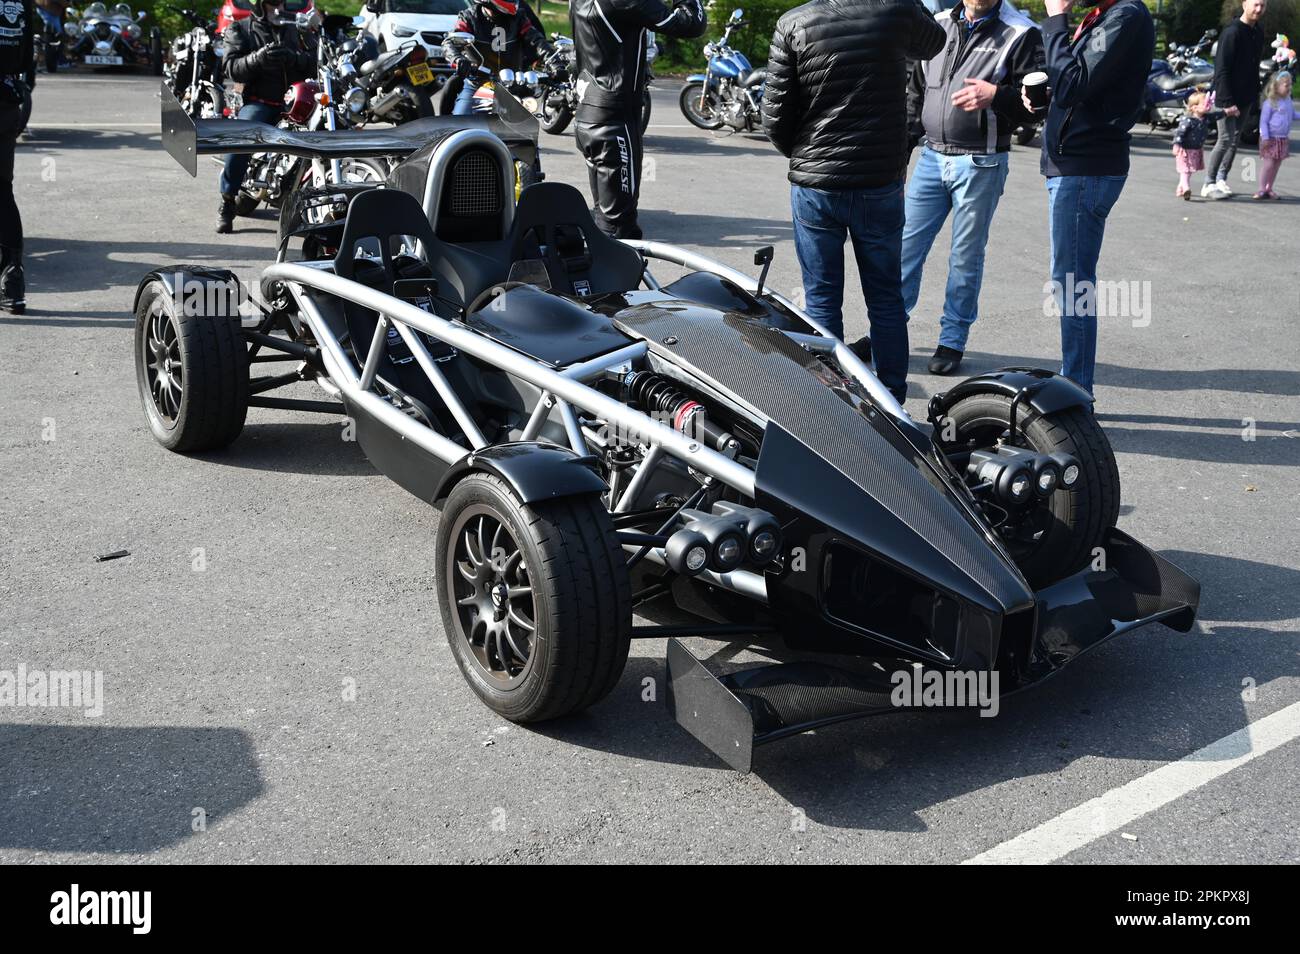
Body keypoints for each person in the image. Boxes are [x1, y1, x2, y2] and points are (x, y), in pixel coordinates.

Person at [763, 0, 945, 403]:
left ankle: (835, 401)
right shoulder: (896, 12)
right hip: (879, 182)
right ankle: (893, 396)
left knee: (822, 297)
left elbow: (774, 116)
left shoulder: (794, 22)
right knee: (885, 297)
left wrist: (809, 155)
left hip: (817, 185)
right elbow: (936, 41)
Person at [902, 0, 1044, 377]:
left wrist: (997, 95)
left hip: (981, 162)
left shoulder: (1021, 32)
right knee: (904, 247)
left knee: (965, 257)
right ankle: (888, 329)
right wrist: (901, 152)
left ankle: (952, 340)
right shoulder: (935, 24)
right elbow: (915, 92)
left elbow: (1037, 106)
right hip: (930, 158)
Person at [1023, 0, 1153, 396]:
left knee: (1072, 283)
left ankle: (1076, 391)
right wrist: (1045, 101)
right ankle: (1074, 380)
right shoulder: (1106, 16)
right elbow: (1081, 89)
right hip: (1073, 165)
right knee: (1070, 280)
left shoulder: (1126, 16)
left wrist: (1056, 20)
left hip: (1087, 168)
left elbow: (1074, 83)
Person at [569, 0, 705, 239]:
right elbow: (691, 24)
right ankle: (612, 273)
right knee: (620, 229)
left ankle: (601, 267)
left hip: (591, 111)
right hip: (613, 120)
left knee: (605, 220)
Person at [218, 0, 315, 233]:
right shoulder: (240, 29)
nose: (277, 7)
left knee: (326, 133)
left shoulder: (296, 29)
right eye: (271, 3)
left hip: (295, 103)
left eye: (280, 2)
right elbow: (230, 67)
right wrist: (257, 58)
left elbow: (315, 61)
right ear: (259, 5)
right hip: (259, 102)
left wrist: (295, 58)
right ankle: (228, 200)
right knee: (242, 136)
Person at [1204, 0, 1268, 198]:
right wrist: (1227, 101)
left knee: (1234, 140)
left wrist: (1255, 96)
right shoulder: (1232, 32)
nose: (1259, 9)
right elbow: (1221, 69)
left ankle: (1222, 179)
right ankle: (1209, 183)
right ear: (1244, 4)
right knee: (1224, 139)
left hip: (1247, 96)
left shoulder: (1258, 31)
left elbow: (1253, 66)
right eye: (1255, 4)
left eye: (1263, 5)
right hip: (1227, 97)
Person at [445, 0, 551, 116]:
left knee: (524, 126)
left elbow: (536, 41)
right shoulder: (469, 16)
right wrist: (458, 59)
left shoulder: (519, 17)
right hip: (477, 83)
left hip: (513, 85)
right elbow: (449, 42)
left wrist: (554, 62)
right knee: (460, 122)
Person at [0, 0, 35, 314]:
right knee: (2, 192)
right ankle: (13, 285)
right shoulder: (22, 3)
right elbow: (28, 59)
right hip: (8, 102)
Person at [1171, 91, 1223, 199]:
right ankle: (1186, 188)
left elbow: (1216, 115)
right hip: (1184, 150)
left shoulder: (1205, 118)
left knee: (1188, 171)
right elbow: (1179, 133)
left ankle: (1180, 188)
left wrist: (1227, 112)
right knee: (1185, 170)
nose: (1208, 105)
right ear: (1194, 108)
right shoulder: (1188, 120)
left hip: (1195, 150)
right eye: (1205, 103)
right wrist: (1176, 145)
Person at [1254, 70, 1294, 199]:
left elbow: (1293, 115)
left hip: (1282, 139)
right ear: (1276, 86)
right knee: (1269, 164)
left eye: (1290, 85)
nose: (1289, 88)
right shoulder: (1269, 103)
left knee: (1276, 165)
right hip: (1270, 138)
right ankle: (1261, 188)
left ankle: (1269, 188)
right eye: (1286, 85)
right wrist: (1265, 137)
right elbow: (1263, 122)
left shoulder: (1288, 101)